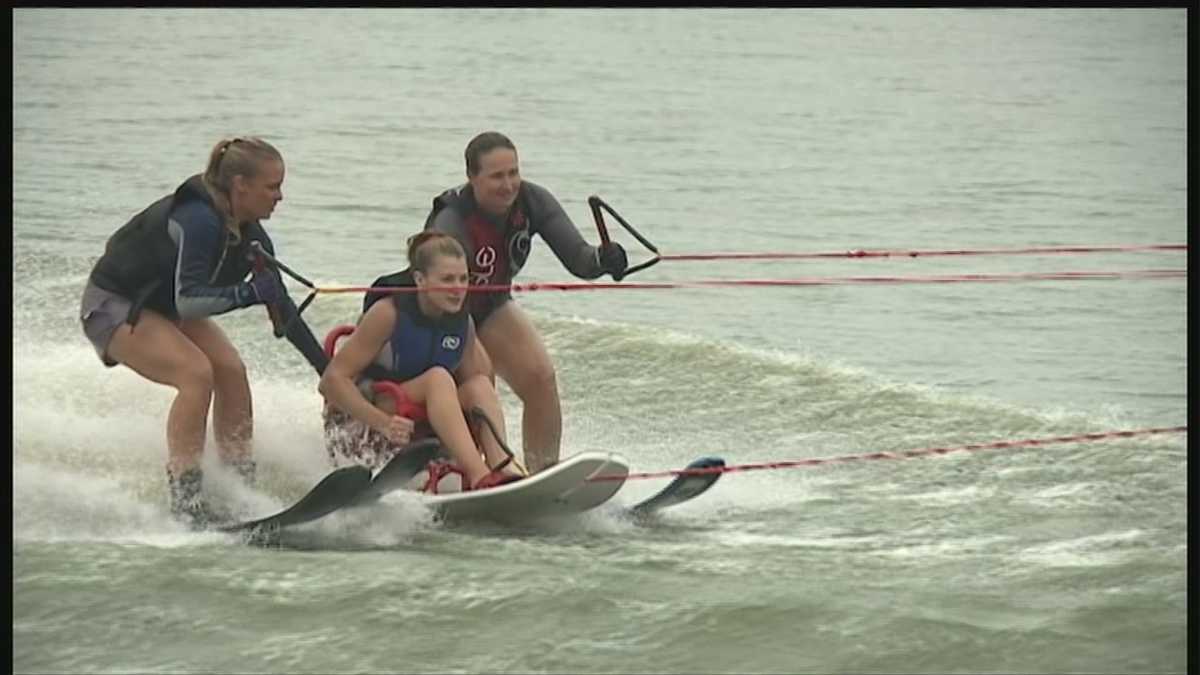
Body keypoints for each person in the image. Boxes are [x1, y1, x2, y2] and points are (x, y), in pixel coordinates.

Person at [372, 131, 628, 474]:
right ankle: (483, 468)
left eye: (513, 173)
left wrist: (603, 259)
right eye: (496, 176)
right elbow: (441, 289)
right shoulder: (452, 220)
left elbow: (579, 260)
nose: (508, 185)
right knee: (480, 379)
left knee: (540, 377)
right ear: (472, 178)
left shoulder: (534, 201)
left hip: (490, 304)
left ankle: (541, 473)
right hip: (442, 313)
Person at [80, 137, 286, 527]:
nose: (280, 196)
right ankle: (186, 501)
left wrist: (329, 374)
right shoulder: (199, 220)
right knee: (196, 373)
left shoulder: (252, 236)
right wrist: (247, 293)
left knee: (231, 370)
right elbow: (191, 302)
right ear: (240, 184)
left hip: (161, 304)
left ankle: (240, 491)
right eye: (272, 186)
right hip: (113, 305)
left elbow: (287, 320)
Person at [319, 232, 523, 491]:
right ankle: (479, 475)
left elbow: (479, 388)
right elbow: (331, 382)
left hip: (426, 411)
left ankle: (502, 468)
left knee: (479, 384)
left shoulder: (464, 323)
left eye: (464, 278)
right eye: (447, 279)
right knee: (438, 378)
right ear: (420, 280)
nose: (458, 288)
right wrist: (382, 422)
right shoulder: (387, 313)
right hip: (377, 409)